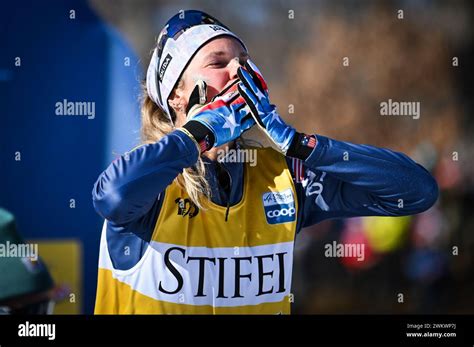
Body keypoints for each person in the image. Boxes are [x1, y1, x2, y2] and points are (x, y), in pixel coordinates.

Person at [92, 10, 438, 314]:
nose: (239, 72)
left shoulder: (281, 175)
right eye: (218, 63)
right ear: (177, 95)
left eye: (244, 62)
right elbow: (111, 197)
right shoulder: (151, 175)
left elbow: (416, 191)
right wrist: (196, 136)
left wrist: (300, 144)